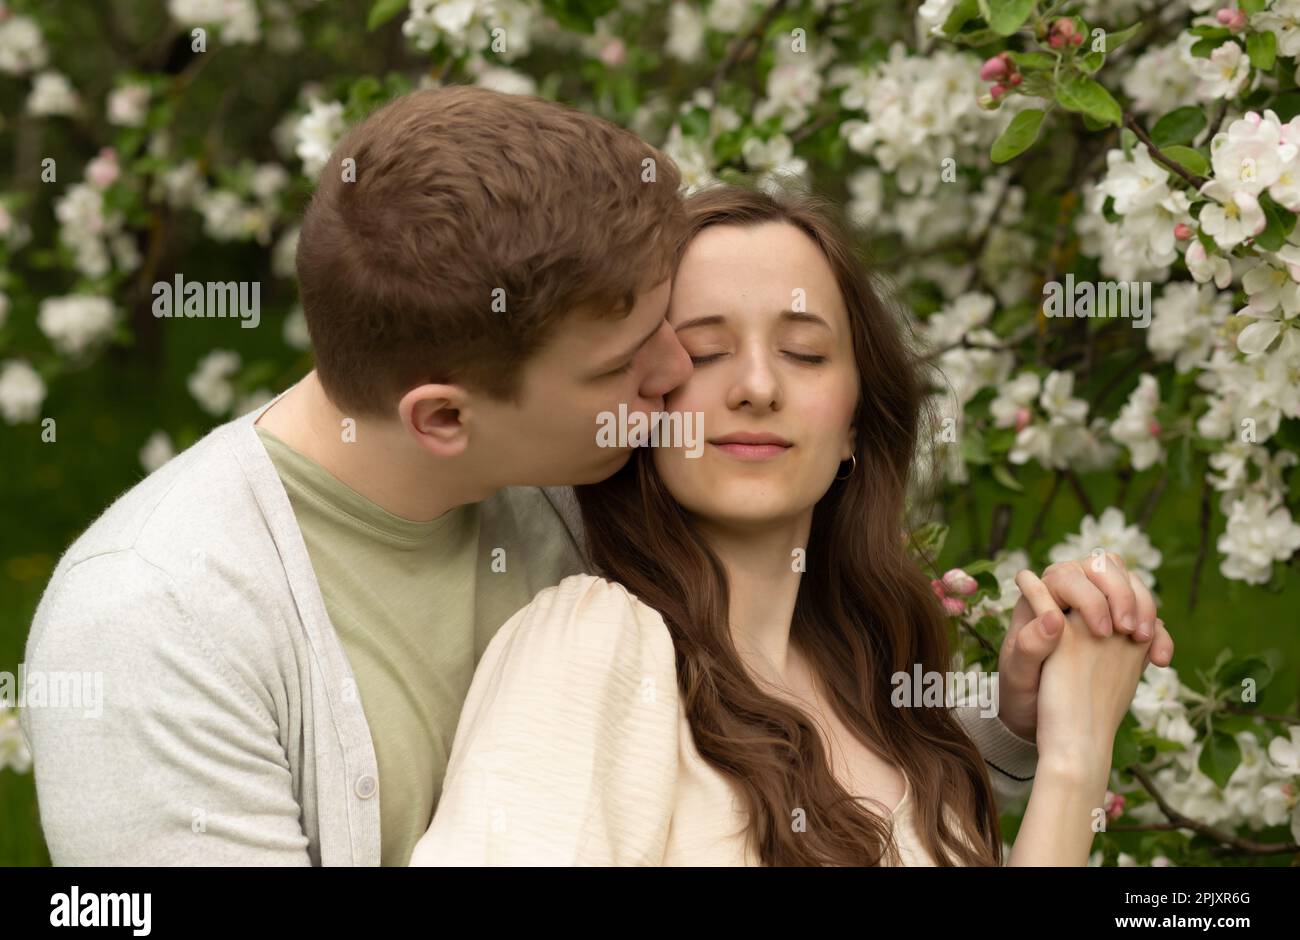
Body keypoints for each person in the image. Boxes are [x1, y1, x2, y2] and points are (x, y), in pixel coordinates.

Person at [22, 88, 1169, 866]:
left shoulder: (580, 475)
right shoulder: (156, 620)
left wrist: (1009, 734)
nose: (692, 382)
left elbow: (751, 737)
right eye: (652, 356)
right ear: (444, 419)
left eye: (802, 353)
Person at [410, 185, 1165, 866]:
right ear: (641, 403)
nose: (758, 386)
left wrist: (1050, 725)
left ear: (856, 426)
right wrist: (1074, 765)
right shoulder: (596, 647)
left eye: (803, 353)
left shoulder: (894, 714)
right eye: (704, 352)